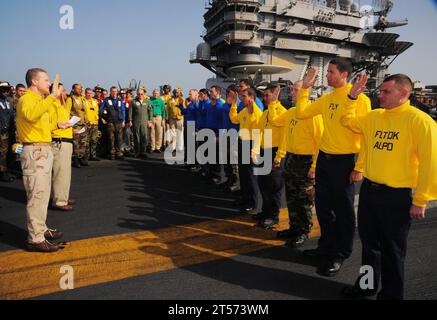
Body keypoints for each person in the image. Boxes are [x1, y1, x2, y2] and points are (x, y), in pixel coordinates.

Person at [340, 73, 437, 300]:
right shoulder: (374, 117)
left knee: (393, 251)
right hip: (369, 192)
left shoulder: (420, 121)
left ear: (404, 93)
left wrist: (421, 199)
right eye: (380, 91)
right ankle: (366, 285)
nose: (380, 95)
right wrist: (352, 97)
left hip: (397, 197)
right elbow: (347, 121)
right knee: (369, 245)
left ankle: (391, 296)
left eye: (386, 92)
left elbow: (430, 163)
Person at [295, 58, 372, 277]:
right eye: (327, 71)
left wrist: (360, 166)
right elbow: (301, 113)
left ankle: (340, 253)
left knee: (343, 211)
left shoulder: (361, 100)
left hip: (344, 162)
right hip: (325, 162)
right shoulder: (327, 98)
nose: (326, 75)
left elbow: (366, 135)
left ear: (344, 74)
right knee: (323, 207)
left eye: (330, 72)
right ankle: (325, 247)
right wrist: (305, 90)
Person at [16, 68, 71, 252]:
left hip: (43, 149)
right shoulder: (26, 99)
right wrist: (52, 97)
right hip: (34, 151)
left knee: (43, 194)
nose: (49, 84)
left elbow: (41, 123)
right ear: (34, 82)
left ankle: (41, 229)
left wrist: (57, 125)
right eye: (46, 80)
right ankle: (35, 238)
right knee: (37, 196)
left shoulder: (39, 101)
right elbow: (31, 115)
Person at [271, 81, 324, 247]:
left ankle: (304, 230)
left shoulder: (312, 114)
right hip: (292, 159)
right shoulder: (292, 111)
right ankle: (294, 227)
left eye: (295, 90)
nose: (292, 92)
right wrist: (273, 102)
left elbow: (319, 142)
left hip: (306, 161)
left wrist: (314, 167)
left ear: (305, 92)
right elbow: (274, 120)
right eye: (292, 89)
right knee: (292, 196)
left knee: (303, 198)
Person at [252, 85, 287, 229]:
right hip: (263, 152)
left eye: (268, 95)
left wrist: (279, 157)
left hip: (275, 153)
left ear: (275, 96)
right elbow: (259, 132)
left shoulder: (282, 112)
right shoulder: (265, 113)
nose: (265, 98)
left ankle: (273, 216)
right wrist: (255, 150)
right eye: (264, 95)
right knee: (263, 184)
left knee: (274, 187)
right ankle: (265, 211)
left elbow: (285, 138)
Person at [228, 87, 263, 214]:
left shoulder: (257, 114)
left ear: (251, 98)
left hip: (251, 145)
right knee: (243, 174)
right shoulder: (244, 111)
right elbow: (233, 119)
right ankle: (245, 199)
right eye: (241, 96)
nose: (242, 98)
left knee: (251, 176)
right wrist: (233, 105)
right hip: (242, 143)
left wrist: (253, 152)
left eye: (244, 96)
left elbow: (259, 134)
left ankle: (253, 204)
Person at [50, 83, 74, 212]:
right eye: (63, 90)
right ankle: (59, 201)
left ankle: (62, 196)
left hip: (66, 140)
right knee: (60, 173)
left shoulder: (62, 106)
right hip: (58, 142)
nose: (65, 92)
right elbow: (50, 124)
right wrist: (58, 125)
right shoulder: (52, 105)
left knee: (65, 173)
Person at [66, 84, 90, 168]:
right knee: (76, 143)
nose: (80, 90)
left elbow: (85, 111)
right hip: (75, 125)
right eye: (78, 89)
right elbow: (67, 112)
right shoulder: (70, 99)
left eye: (81, 89)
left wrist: (87, 121)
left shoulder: (82, 99)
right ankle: (75, 160)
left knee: (83, 143)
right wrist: (70, 125)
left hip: (83, 124)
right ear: (73, 89)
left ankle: (81, 158)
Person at [99, 87, 126, 160]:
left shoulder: (120, 100)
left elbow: (123, 110)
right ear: (110, 92)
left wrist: (123, 120)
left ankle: (119, 153)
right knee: (111, 138)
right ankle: (112, 153)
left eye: (115, 91)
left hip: (119, 122)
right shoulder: (106, 100)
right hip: (110, 123)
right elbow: (100, 110)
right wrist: (102, 118)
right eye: (112, 91)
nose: (114, 93)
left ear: (117, 92)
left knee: (119, 139)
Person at [129, 89, 152, 158]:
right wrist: (130, 120)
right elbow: (130, 111)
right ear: (137, 94)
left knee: (144, 137)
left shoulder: (147, 101)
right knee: (136, 137)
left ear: (144, 94)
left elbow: (150, 111)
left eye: (141, 94)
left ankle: (143, 152)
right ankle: (137, 152)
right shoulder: (133, 102)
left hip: (144, 122)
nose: (140, 95)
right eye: (138, 94)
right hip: (136, 122)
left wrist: (150, 121)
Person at [0, 81, 15, 182]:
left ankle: (7, 170)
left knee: (11, 151)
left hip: (10, 132)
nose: (6, 91)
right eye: (3, 89)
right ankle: (2, 172)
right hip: (1, 132)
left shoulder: (9, 102)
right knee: (2, 153)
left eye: (7, 89)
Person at [84, 88, 101, 161]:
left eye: (91, 93)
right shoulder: (83, 101)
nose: (89, 94)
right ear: (85, 93)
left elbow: (97, 111)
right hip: (87, 123)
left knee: (94, 140)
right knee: (87, 140)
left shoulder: (95, 101)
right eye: (88, 93)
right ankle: (86, 156)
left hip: (95, 123)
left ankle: (93, 155)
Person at [149, 89, 166, 153]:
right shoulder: (149, 101)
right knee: (152, 133)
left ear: (158, 94)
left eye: (157, 93)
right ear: (152, 93)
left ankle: (158, 147)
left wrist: (163, 119)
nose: (155, 94)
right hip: (152, 117)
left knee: (159, 133)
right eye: (154, 93)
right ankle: (152, 147)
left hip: (159, 117)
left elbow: (163, 111)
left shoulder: (161, 101)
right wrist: (149, 120)